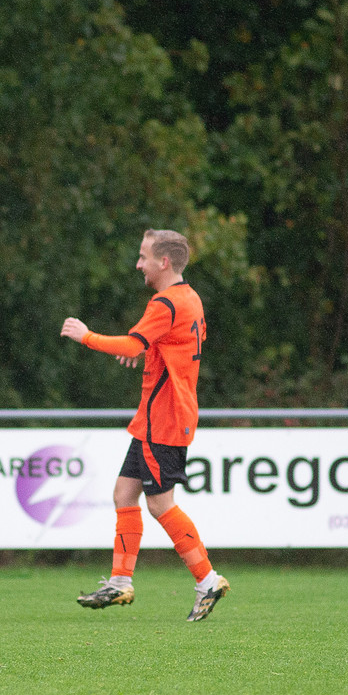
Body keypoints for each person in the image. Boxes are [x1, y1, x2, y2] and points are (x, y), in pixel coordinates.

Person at [61, 228, 230, 622]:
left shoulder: (165, 302)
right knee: (124, 493)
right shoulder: (189, 298)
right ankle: (120, 581)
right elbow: (162, 344)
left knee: (160, 504)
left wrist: (86, 336)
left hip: (165, 420)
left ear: (164, 262)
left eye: (143, 257)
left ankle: (207, 579)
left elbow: (131, 344)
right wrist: (149, 348)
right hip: (159, 418)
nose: (139, 264)